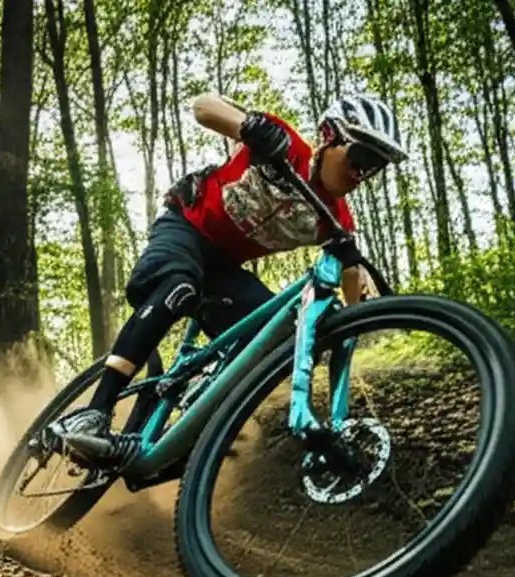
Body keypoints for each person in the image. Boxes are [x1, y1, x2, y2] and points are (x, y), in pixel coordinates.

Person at [47, 92, 408, 470]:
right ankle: (94, 413)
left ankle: (189, 422)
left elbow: (351, 283)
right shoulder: (287, 146)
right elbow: (204, 106)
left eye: (375, 167)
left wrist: (353, 320)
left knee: (278, 337)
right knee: (180, 285)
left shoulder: (335, 219)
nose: (361, 174)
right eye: (361, 158)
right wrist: (250, 127)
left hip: (224, 269)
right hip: (185, 227)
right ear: (329, 136)